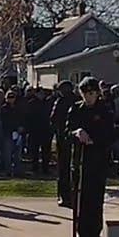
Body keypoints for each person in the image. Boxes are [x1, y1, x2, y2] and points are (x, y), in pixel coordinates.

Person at [67, 77, 112, 237]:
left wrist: (95, 139)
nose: (88, 97)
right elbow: (66, 131)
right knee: (81, 200)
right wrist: (76, 132)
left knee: (96, 201)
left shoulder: (104, 111)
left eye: (92, 93)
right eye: (85, 93)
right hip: (80, 161)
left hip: (97, 159)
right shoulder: (76, 110)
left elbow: (110, 133)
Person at [50, 80, 78, 208]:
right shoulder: (78, 101)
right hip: (74, 138)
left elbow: (53, 119)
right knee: (73, 167)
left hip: (64, 137)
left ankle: (64, 196)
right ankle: (73, 195)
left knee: (63, 168)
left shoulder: (60, 102)